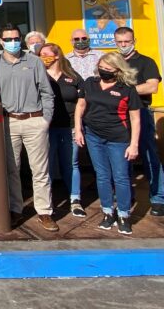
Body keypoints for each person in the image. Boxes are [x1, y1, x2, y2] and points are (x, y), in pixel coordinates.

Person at [0, 23, 57, 231]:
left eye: (16, 38)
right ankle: (15, 208)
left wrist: (45, 120)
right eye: (8, 39)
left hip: (34, 120)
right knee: (12, 169)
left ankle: (45, 211)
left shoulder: (33, 62)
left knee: (40, 170)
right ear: (0, 41)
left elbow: (47, 92)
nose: (13, 42)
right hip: (8, 122)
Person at [74, 52, 141, 234]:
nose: (103, 71)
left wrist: (134, 144)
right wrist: (78, 129)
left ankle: (124, 214)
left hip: (118, 138)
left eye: (108, 69)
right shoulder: (90, 83)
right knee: (102, 175)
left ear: (118, 70)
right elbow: (80, 106)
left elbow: (135, 118)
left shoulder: (126, 88)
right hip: (93, 136)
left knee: (120, 177)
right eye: (101, 68)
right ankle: (107, 212)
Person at [114, 26, 164, 216]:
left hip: (141, 112)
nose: (124, 45)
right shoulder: (114, 62)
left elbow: (152, 86)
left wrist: (127, 91)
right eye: (120, 42)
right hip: (118, 115)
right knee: (120, 157)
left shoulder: (146, 62)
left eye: (127, 41)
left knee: (149, 155)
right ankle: (126, 195)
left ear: (134, 41)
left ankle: (158, 197)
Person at [39, 43, 86, 217]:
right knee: (47, 165)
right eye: (40, 54)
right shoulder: (39, 74)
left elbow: (82, 100)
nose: (43, 57)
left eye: (46, 54)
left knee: (71, 163)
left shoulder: (72, 76)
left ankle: (75, 199)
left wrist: (79, 127)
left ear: (57, 55)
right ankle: (48, 201)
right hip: (47, 128)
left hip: (70, 127)